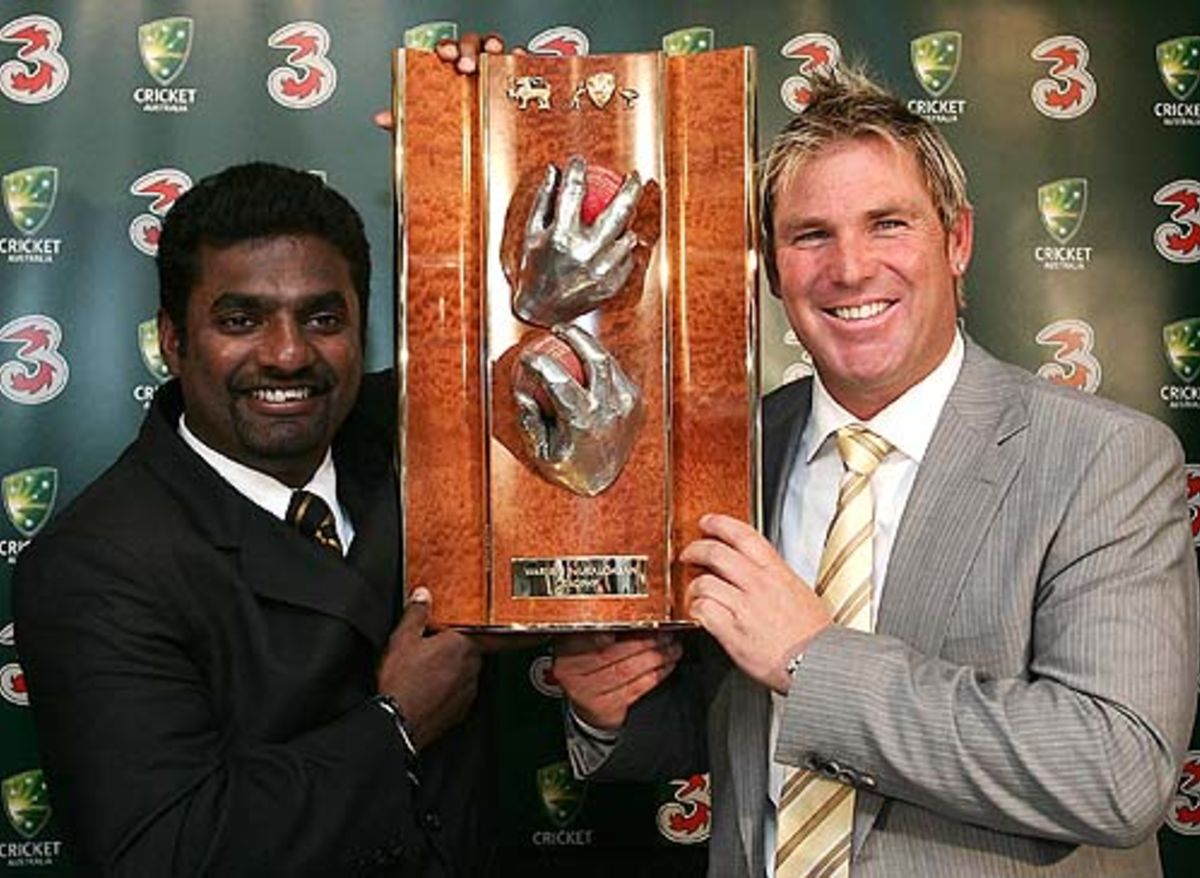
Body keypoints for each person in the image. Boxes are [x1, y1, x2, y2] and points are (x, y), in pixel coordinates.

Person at [553, 69, 1199, 877]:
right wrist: (610, 710)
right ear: (771, 268)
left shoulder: (1102, 460)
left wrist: (812, 661)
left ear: (956, 241)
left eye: (887, 224)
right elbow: (735, 725)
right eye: (810, 235)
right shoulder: (729, 453)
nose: (850, 269)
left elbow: (1116, 771)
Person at [13, 160, 498, 875]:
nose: (288, 354)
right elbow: (164, 854)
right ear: (173, 341)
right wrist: (394, 727)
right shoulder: (95, 564)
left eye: (323, 318)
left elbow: (554, 323)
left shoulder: (423, 430)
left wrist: (470, 118)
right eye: (240, 320)